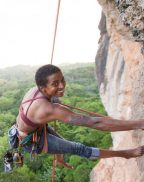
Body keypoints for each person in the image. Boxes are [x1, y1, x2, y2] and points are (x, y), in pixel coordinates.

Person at [15, 64, 144, 169]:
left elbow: (42, 106)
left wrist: (53, 97)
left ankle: (59, 158)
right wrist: (140, 124)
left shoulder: (35, 90)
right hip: (33, 140)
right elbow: (94, 123)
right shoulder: (48, 109)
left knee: (62, 144)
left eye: (62, 80)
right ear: (43, 89)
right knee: (80, 149)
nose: (62, 85)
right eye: (55, 84)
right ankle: (126, 154)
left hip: (33, 129)